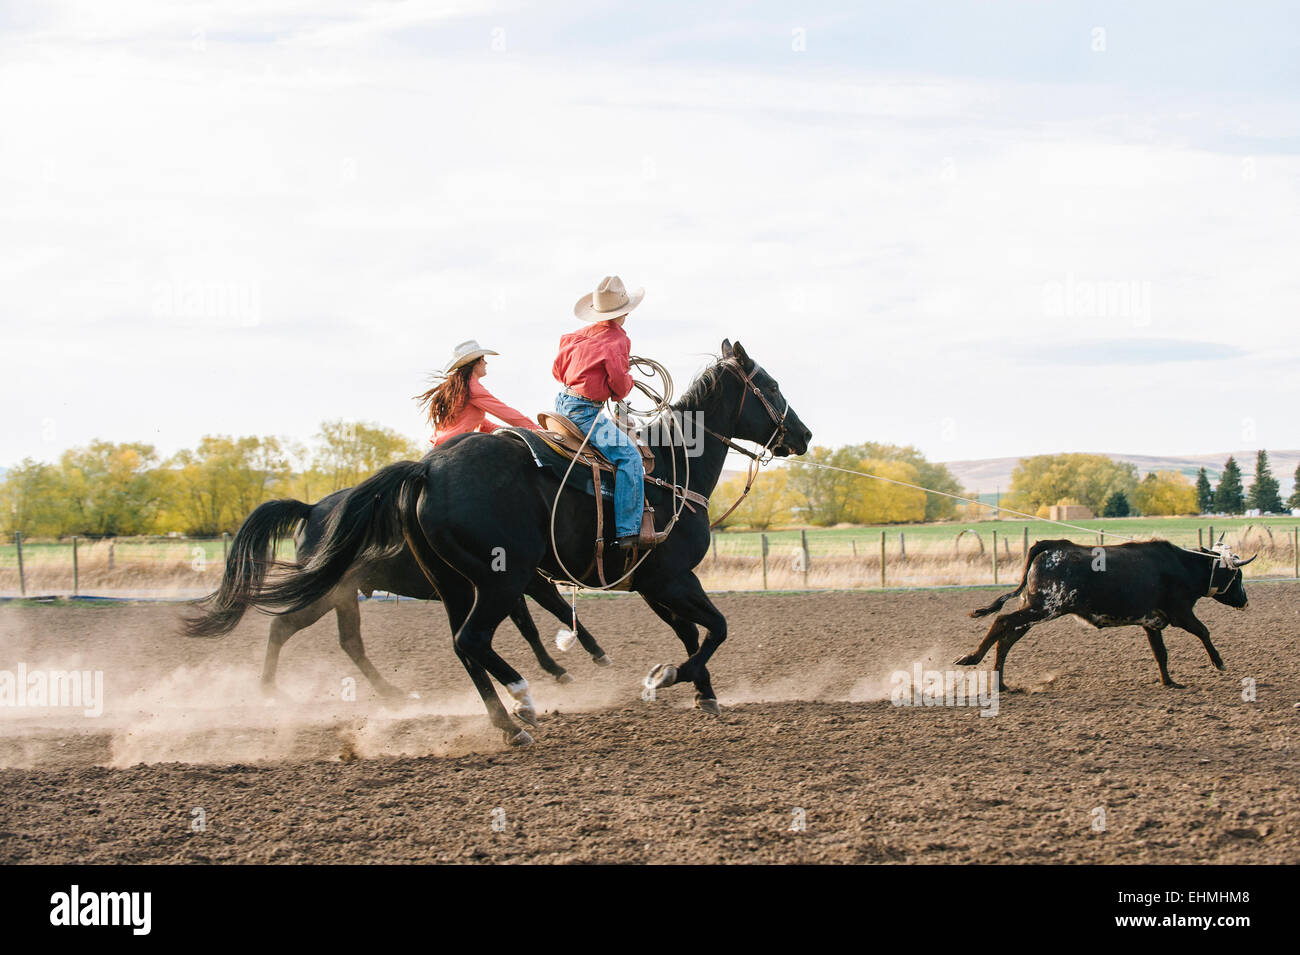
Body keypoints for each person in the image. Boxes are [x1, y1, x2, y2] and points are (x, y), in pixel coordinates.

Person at [552, 276, 665, 551]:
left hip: (562, 404)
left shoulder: (577, 336)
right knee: (629, 457)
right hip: (586, 414)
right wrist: (628, 380)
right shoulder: (617, 340)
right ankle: (627, 531)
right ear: (624, 311)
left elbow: (557, 371)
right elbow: (619, 387)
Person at [416, 339, 536, 446]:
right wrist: (538, 431)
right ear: (475, 363)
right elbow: (507, 414)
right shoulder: (472, 387)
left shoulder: (458, 387)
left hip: (438, 447)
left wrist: (514, 432)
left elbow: (481, 423)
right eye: (483, 359)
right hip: (454, 446)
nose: (486, 363)